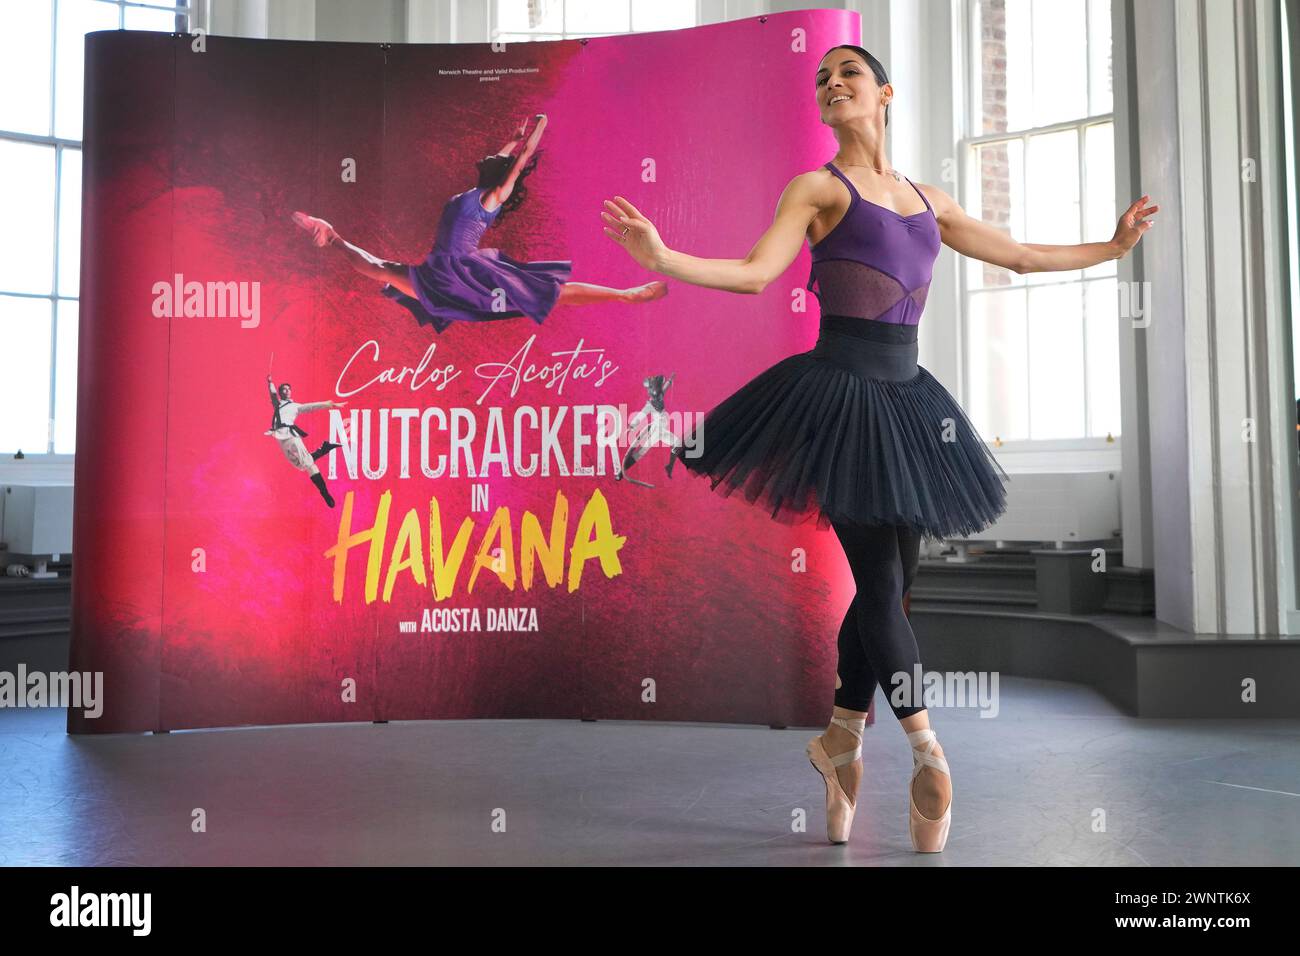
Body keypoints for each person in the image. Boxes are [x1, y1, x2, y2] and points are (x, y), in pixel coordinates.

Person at [601, 44, 1157, 851]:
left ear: (885, 92)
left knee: (887, 597)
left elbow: (1021, 255)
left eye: (848, 75)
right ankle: (928, 750)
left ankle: (839, 741)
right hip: (839, 397)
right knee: (883, 578)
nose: (831, 86)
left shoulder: (930, 199)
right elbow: (759, 274)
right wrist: (662, 259)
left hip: (910, 402)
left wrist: (1111, 250)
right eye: (821, 79)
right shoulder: (818, 189)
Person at [293, 114, 667, 332]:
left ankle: (627, 295)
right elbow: (504, 157)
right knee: (382, 270)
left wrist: (537, 130)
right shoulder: (480, 186)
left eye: (499, 157)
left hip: (465, 272)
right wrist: (514, 138)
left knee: (551, 291)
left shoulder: (493, 196)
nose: (492, 155)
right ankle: (333, 237)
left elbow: (518, 163)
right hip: (440, 269)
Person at [265, 376, 347, 507]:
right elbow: (272, 394)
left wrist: (328, 404)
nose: (286, 391)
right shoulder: (278, 405)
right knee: (300, 465)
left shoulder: (295, 406)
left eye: (288, 389)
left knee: (308, 464)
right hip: (279, 436)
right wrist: (270, 383)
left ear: (290, 392)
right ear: (281, 393)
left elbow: (311, 407)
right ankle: (324, 449)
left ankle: (325, 493)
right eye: (283, 390)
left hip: (291, 435)